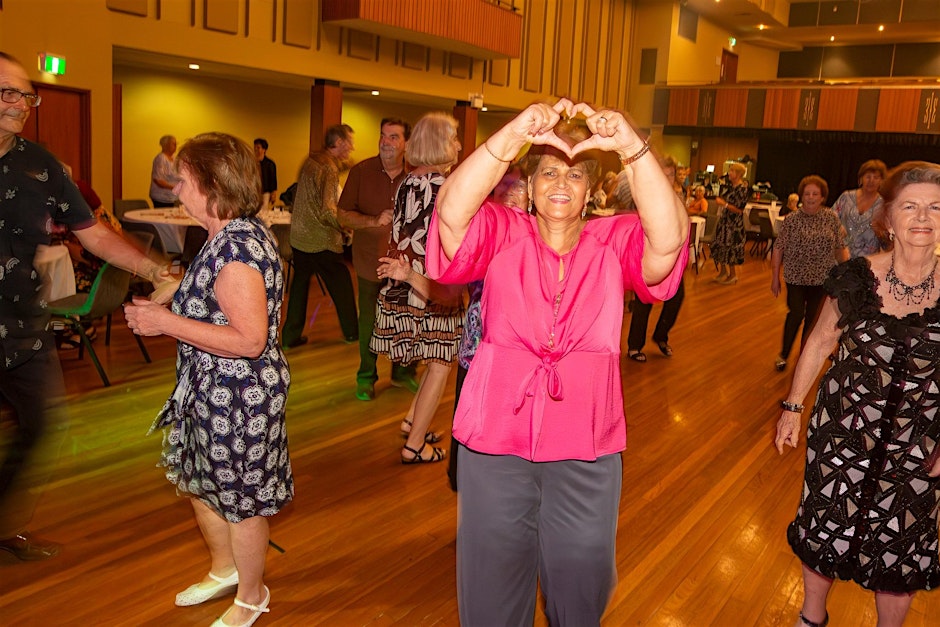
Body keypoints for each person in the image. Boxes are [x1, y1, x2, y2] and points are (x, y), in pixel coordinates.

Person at [428, 100, 687, 625]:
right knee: (492, 578)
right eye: (548, 171)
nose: (561, 182)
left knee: (583, 575)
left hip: (586, 440)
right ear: (529, 184)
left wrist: (632, 147)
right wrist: (516, 133)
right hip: (496, 433)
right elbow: (451, 212)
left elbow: (669, 238)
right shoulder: (502, 233)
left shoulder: (612, 243)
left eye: (574, 173)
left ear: (591, 191)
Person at [0, 51, 177, 561]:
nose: (20, 105)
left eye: (26, 95)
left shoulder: (41, 165)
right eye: (7, 92)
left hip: (22, 326)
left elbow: (94, 234)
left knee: (39, 424)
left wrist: (156, 272)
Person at [124, 132, 292, 627]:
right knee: (203, 485)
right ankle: (224, 570)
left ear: (212, 183)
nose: (177, 190)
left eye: (184, 180)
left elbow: (249, 340)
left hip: (238, 399)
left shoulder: (236, 248)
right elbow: (227, 300)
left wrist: (166, 322)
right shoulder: (229, 235)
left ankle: (253, 594)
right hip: (211, 393)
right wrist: (180, 288)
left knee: (240, 503)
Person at [774, 161, 940, 627]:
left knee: (902, 542)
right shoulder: (857, 275)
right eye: (910, 206)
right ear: (887, 217)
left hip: (919, 443)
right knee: (826, 523)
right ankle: (811, 617)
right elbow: (821, 341)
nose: (923, 217)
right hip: (844, 431)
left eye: (935, 207)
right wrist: (792, 408)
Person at [370, 113, 464, 463]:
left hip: (403, 286)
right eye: (454, 137)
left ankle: (414, 420)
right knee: (441, 362)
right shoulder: (446, 186)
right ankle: (415, 447)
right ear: (440, 142)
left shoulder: (409, 181)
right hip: (432, 288)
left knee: (434, 361)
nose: (459, 145)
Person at [446, 164, 529, 490]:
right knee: (470, 442)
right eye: (504, 187)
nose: (512, 194)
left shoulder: (538, 236)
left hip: (519, 361)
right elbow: (452, 283)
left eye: (519, 188)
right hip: (478, 353)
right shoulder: (483, 234)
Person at [338, 118, 418, 401]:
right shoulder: (362, 172)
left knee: (406, 321)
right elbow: (342, 214)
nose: (386, 142)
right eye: (383, 136)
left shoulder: (416, 175)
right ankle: (366, 377)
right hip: (370, 262)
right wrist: (373, 219)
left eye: (394, 137)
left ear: (406, 143)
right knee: (369, 322)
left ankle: (403, 372)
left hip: (408, 267)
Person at [281, 124, 358, 349]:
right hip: (320, 239)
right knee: (342, 282)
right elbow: (327, 210)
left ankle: (290, 336)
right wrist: (346, 225)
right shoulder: (328, 169)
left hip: (299, 236)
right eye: (350, 142)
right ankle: (352, 332)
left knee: (299, 286)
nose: (352, 147)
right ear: (339, 143)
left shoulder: (312, 160)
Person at [771, 175, 848, 372]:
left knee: (812, 319)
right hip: (795, 277)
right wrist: (775, 278)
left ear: (822, 197)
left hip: (822, 278)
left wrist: (847, 274)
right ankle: (784, 354)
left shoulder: (831, 217)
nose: (811, 197)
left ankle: (805, 355)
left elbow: (840, 247)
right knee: (795, 313)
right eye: (807, 194)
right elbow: (778, 247)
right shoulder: (792, 219)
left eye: (815, 194)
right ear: (801, 196)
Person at [626, 155, 686, 361]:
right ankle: (634, 346)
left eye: (671, 174)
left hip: (674, 257)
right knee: (644, 300)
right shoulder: (648, 193)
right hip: (649, 254)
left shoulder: (679, 194)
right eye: (665, 174)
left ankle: (661, 335)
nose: (669, 178)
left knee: (677, 298)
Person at [832, 159, 887, 259]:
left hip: (867, 263)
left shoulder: (884, 206)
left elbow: (888, 242)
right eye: (868, 177)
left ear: (881, 181)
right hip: (840, 258)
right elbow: (829, 219)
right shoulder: (846, 197)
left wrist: (881, 232)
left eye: (876, 177)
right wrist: (837, 227)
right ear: (861, 179)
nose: (871, 181)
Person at [710, 161, 749, 285]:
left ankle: (733, 275)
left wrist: (724, 204)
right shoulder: (730, 187)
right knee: (720, 246)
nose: (729, 173)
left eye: (732, 171)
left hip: (733, 225)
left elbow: (739, 210)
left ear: (738, 174)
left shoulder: (742, 189)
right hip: (724, 222)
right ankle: (722, 272)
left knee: (730, 249)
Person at [150, 134, 181, 208]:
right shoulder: (160, 159)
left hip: (173, 198)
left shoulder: (174, 159)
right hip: (162, 198)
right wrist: (175, 187)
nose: (175, 146)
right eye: (173, 144)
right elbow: (158, 180)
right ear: (166, 145)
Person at [254, 138, 278, 211]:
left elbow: (273, 179)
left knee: (264, 211)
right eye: (255, 147)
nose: (256, 149)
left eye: (258, 148)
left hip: (265, 192)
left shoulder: (270, 163)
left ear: (264, 149)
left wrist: (273, 193)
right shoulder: (252, 162)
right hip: (254, 192)